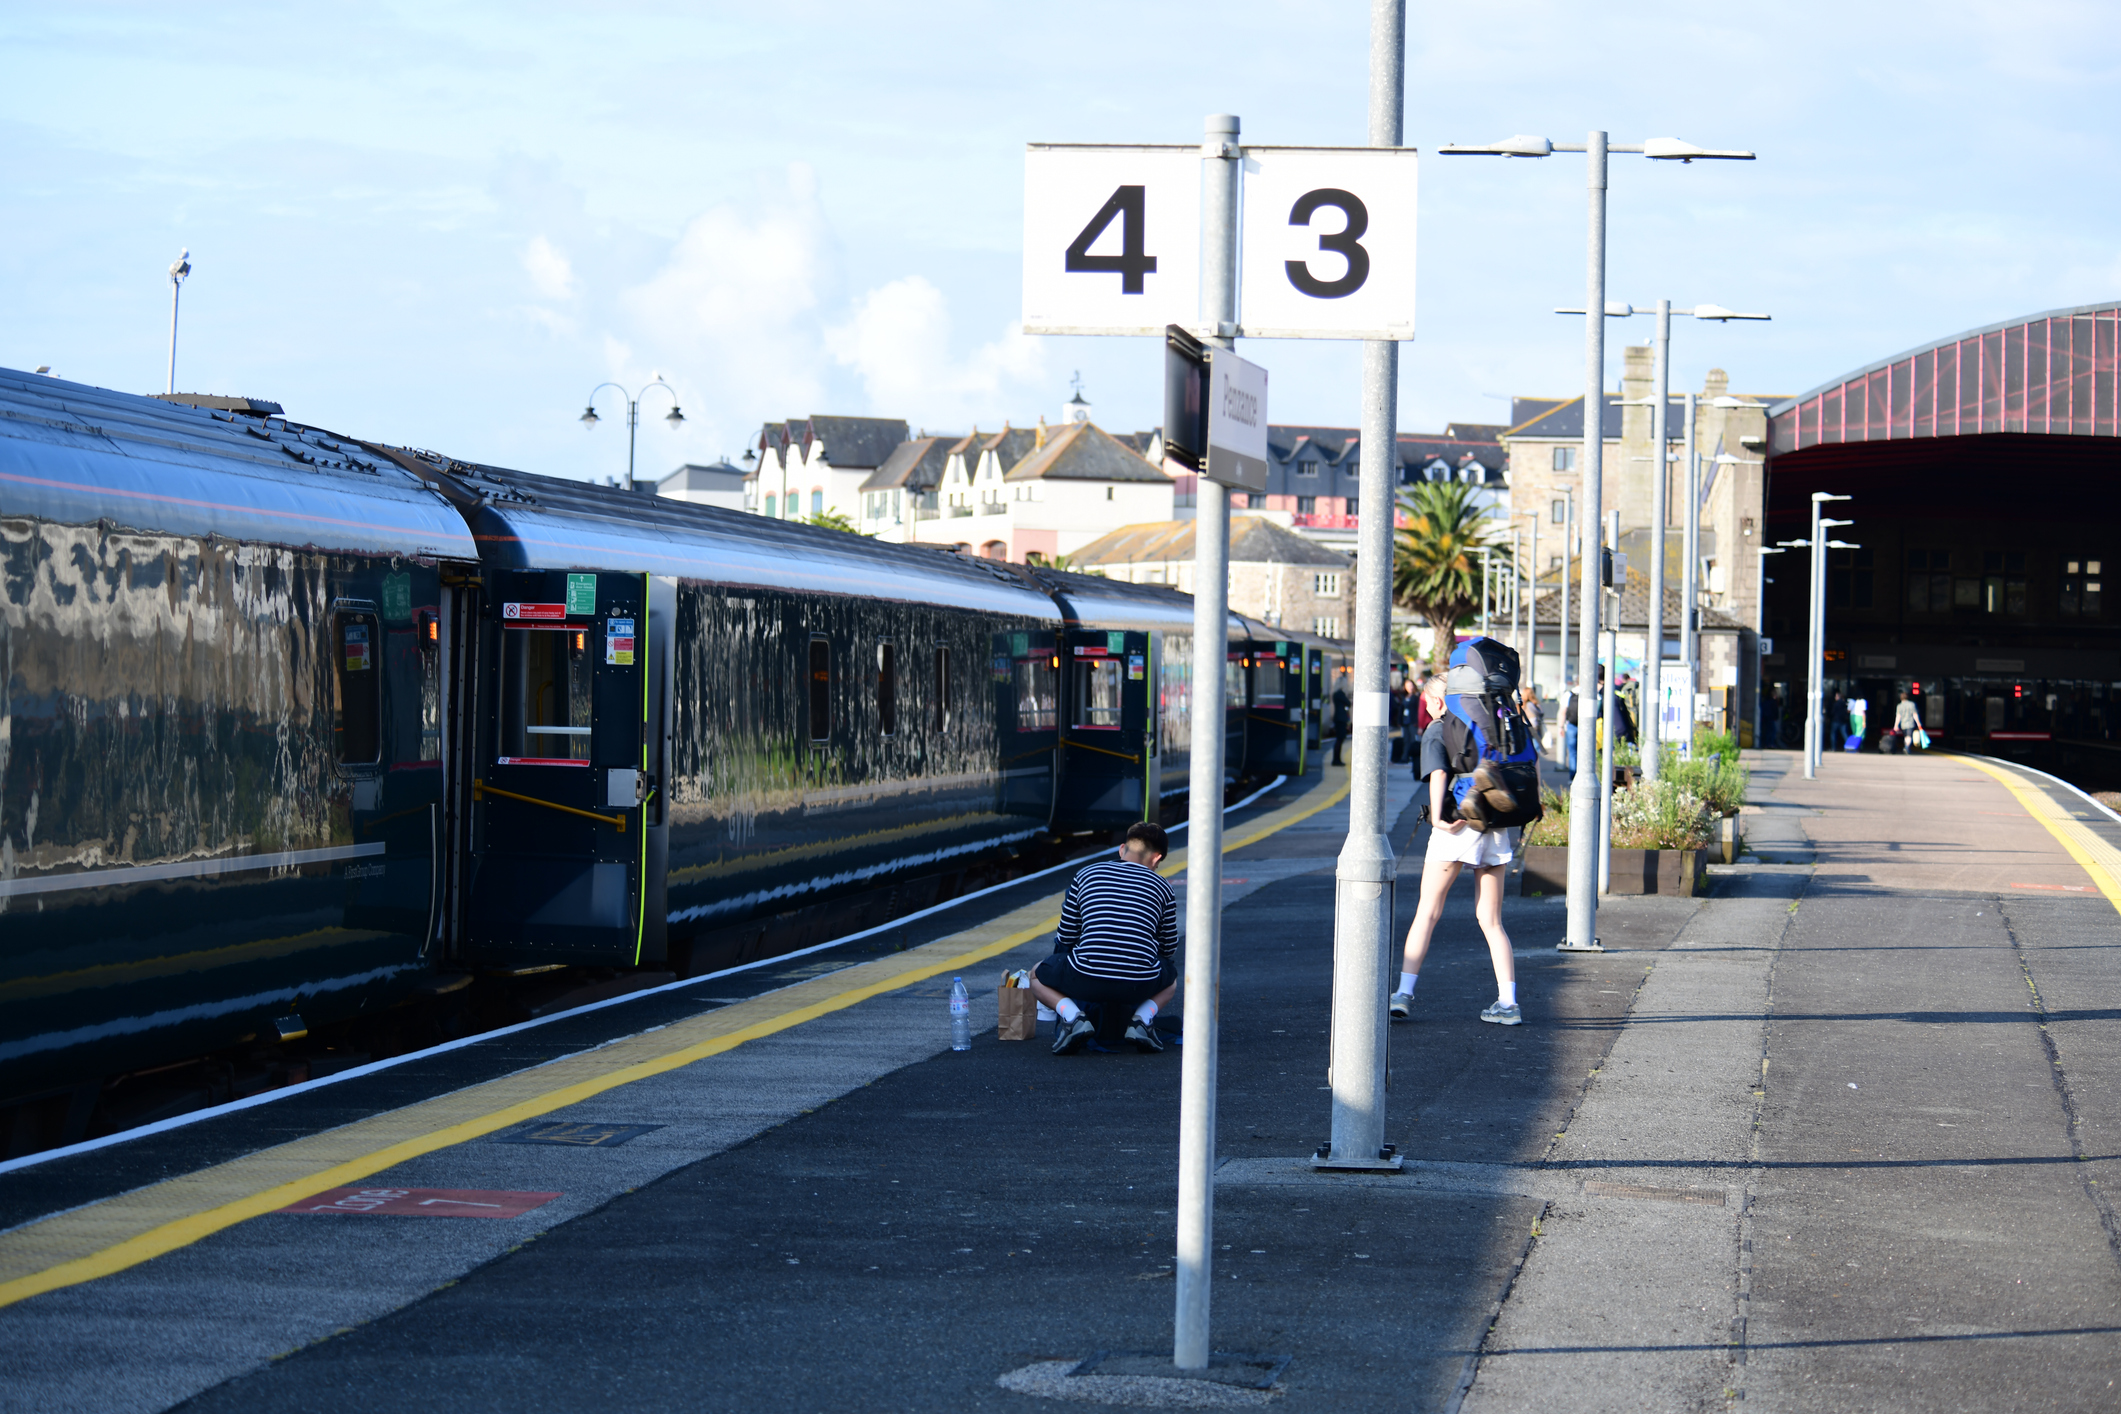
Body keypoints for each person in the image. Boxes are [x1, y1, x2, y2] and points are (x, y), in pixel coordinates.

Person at [1391, 675, 1521, 1026]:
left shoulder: (1440, 726)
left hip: (1456, 826)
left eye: (1426, 701)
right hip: (1493, 825)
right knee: (1491, 920)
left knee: (1428, 912)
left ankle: (1403, 993)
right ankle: (1508, 1003)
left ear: (1437, 699)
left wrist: (1437, 817)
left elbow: (1437, 773)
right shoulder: (1489, 722)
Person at [1032, 821, 1179, 1055]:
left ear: (1122, 849)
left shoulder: (1086, 874)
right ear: (1156, 859)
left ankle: (1073, 1018)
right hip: (1138, 985)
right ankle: (1141, 1020)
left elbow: (1066, 936)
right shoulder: (1162, 886)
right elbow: (1168, 948)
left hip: (1084, 980)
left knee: (1037, 974)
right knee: (1171, 979)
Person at [1329, 681, 1351, 767]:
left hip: (1338, 718)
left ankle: (1336, 759)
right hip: (1341, 718)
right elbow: (1348, 703)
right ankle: (1336, 760)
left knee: (1339, 739)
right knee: (1340, 739)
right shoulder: (1340, 694)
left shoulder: (1335, 694)